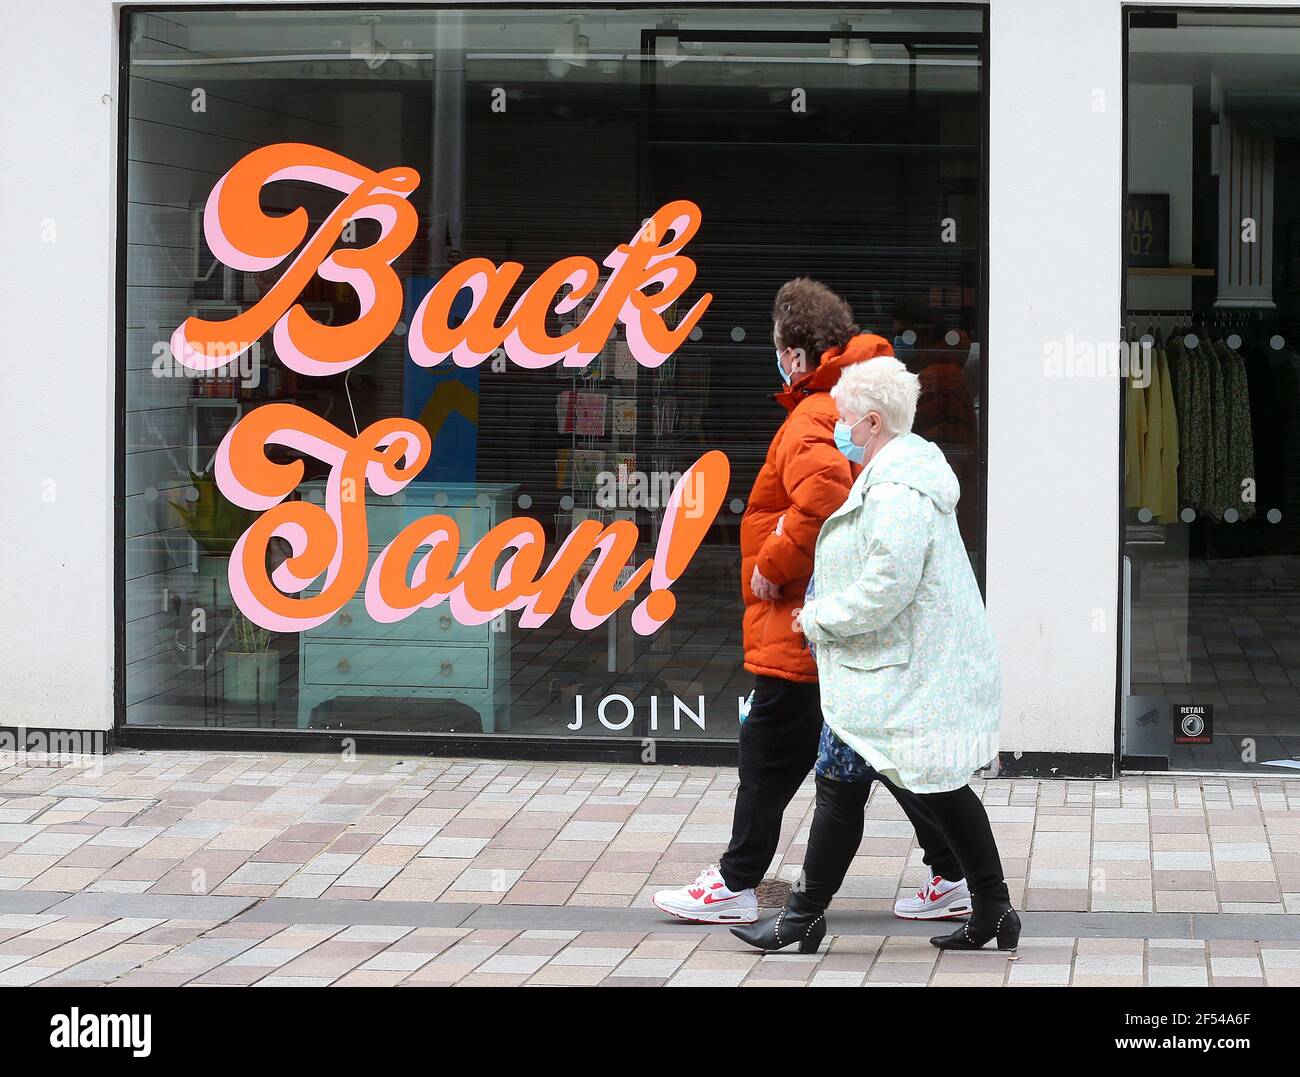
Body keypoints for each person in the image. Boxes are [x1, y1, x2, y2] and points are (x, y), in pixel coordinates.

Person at [653, 279, 970, 926]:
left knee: (769, 748)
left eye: (777, 350)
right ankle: (951, 871)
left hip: (803, 619)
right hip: (829, 617)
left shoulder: (811, 413)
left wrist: (773, 565)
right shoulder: (849, 396)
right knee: (873, 750)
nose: (778, 362)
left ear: (795, 355)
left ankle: (739, 882)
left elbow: (825, 496)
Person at [731, 355, 1020, 954]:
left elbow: (887, 586)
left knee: (856, 785)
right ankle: (993, 909)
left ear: (869, 422)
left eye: (843, 420)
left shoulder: (896, 491)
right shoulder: (895, 476)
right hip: (887, 671)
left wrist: (816, 618)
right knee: (930, 786)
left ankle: (804, 918)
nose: (838, 430)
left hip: (890, 672)